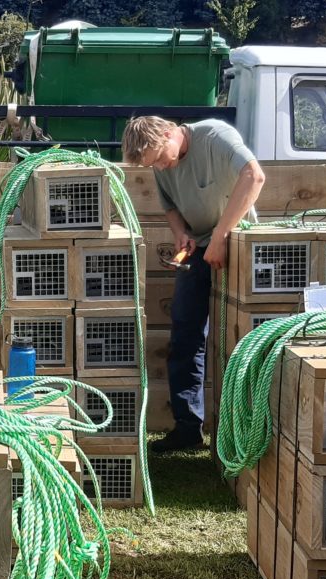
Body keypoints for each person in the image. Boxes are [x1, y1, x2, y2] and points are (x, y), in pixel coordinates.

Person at [122, 115, 265, 453]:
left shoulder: (216, 136)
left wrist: (220, 236)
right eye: (153, 165)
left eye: (160, 157)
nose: (161, 167)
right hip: (199, 248)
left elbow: (254, 175)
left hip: (238, 242)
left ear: (169, 131)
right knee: (184, 334)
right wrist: (181, 233)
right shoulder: (160, 163)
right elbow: (171, 207)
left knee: (242, 338)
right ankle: (188, 429)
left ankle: (246, 428)